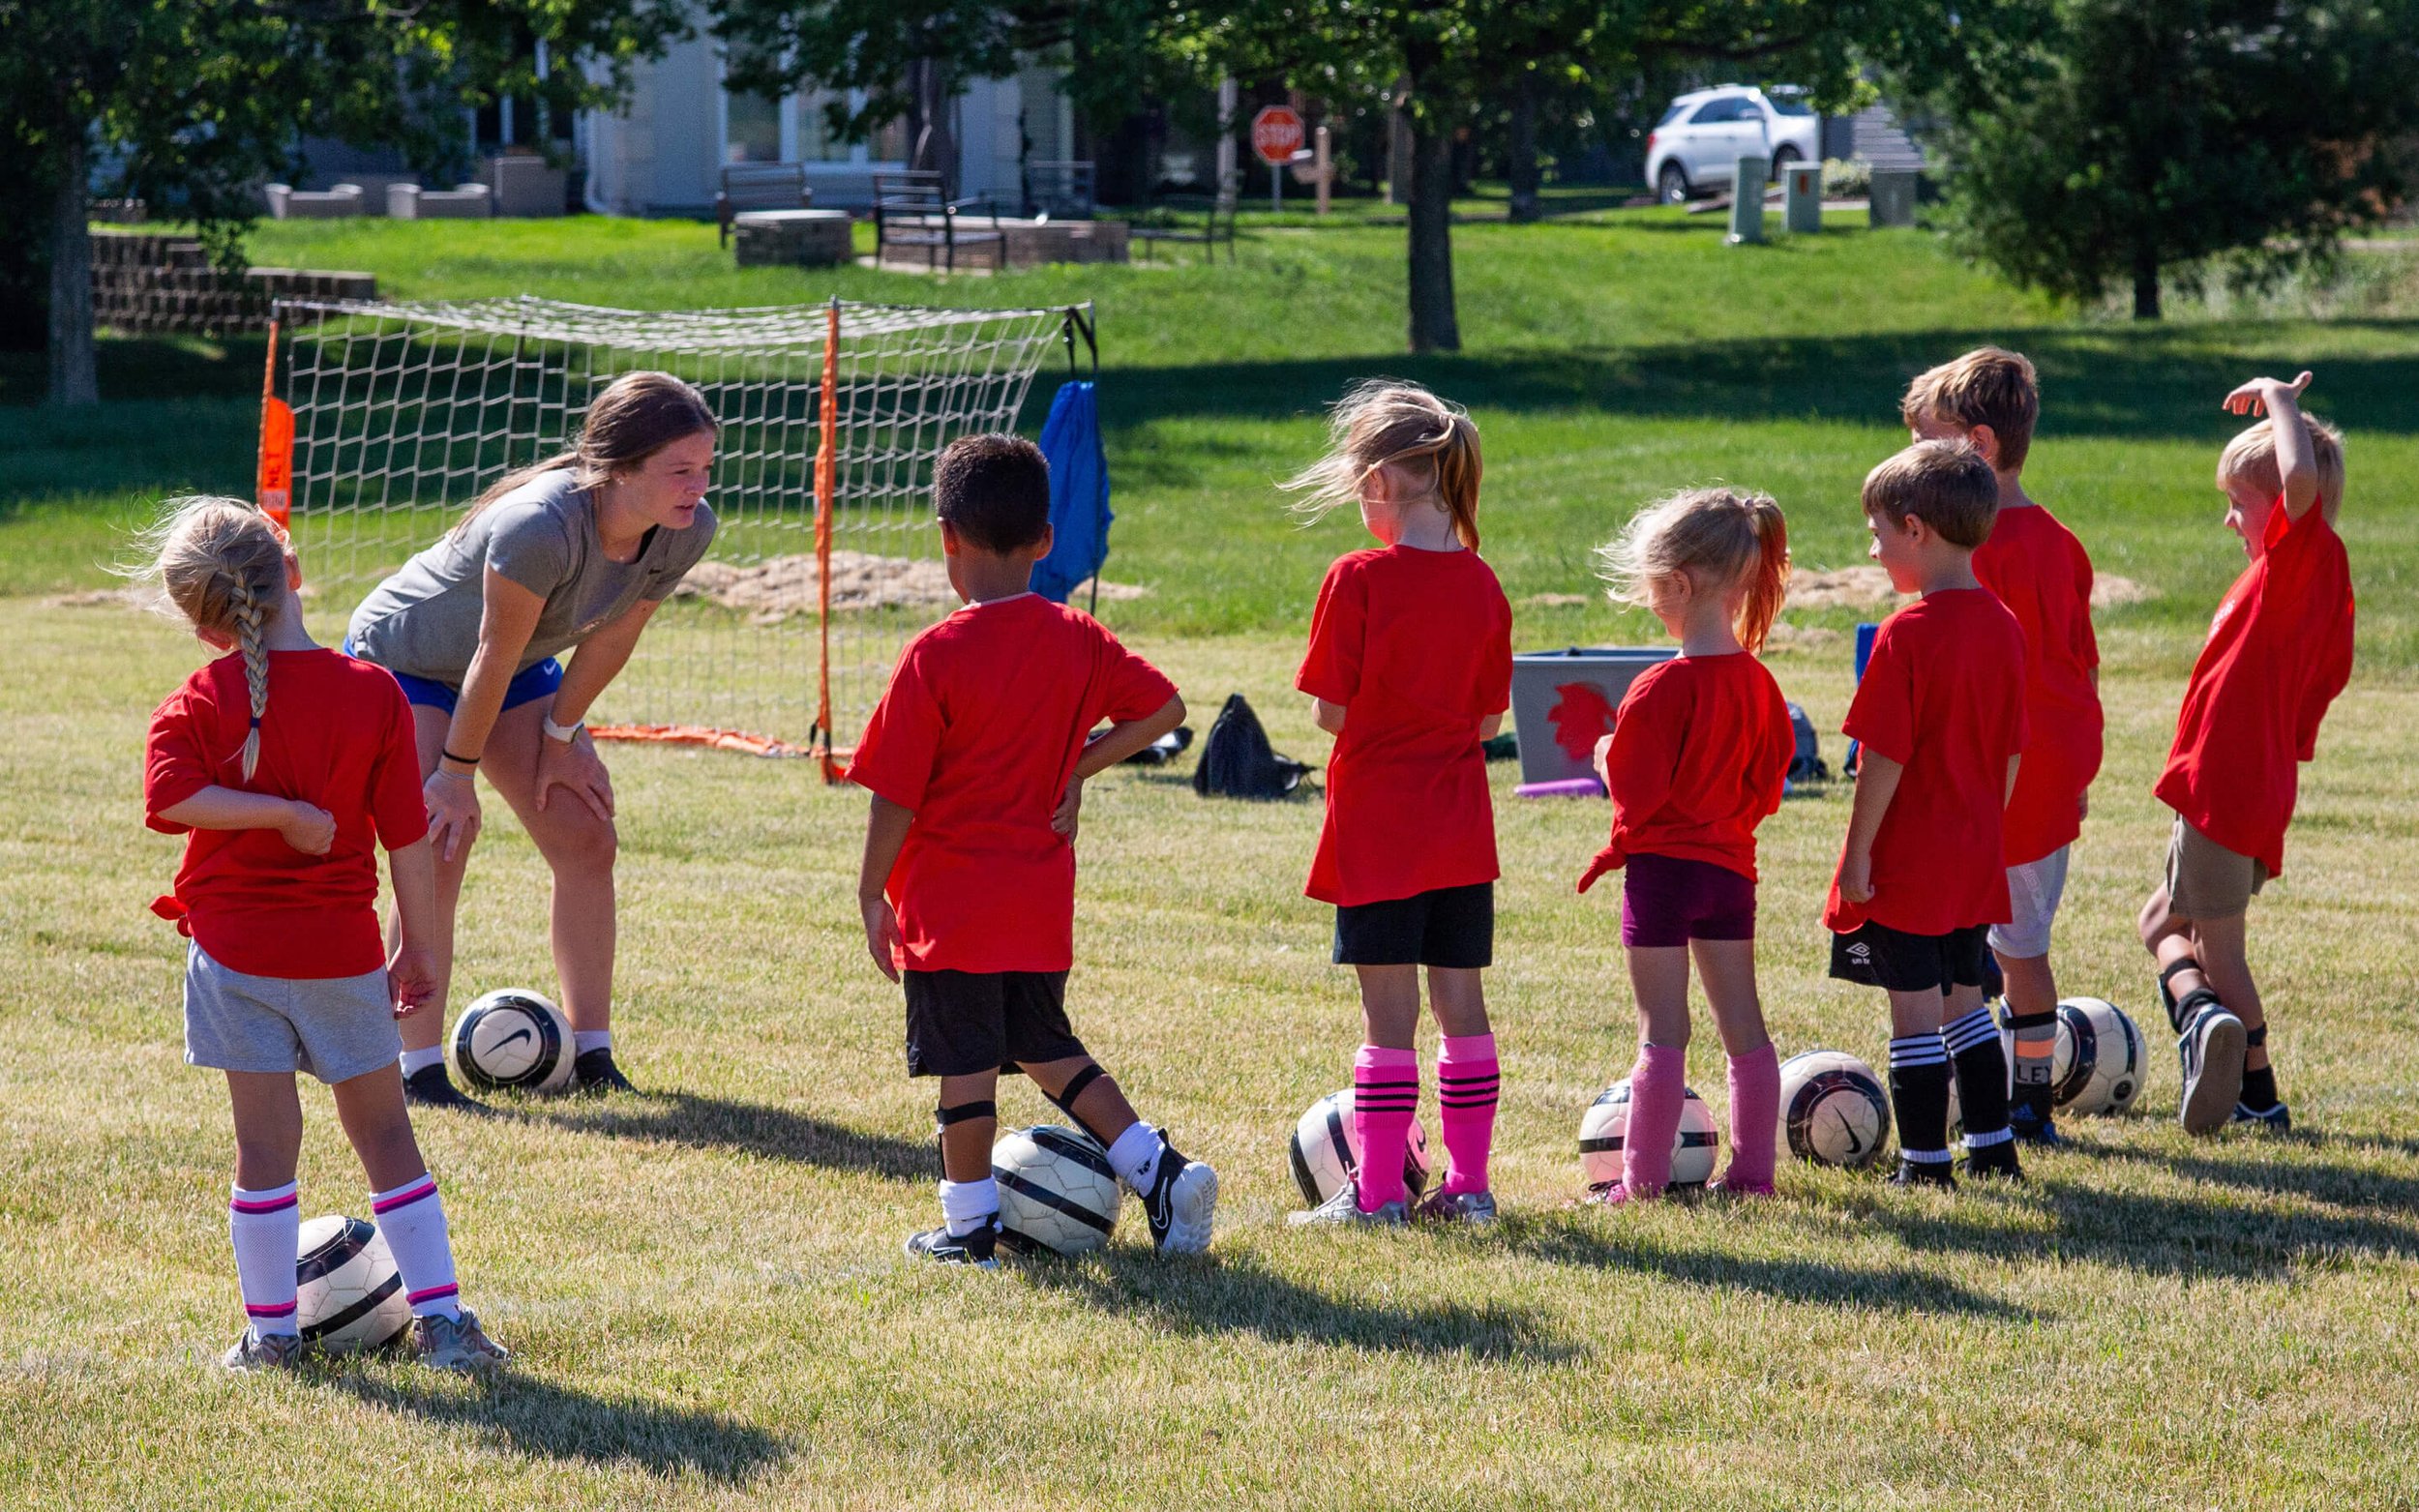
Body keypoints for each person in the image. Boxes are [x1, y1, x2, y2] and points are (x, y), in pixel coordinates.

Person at [135, 497, 507, 1373]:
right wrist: (415, 946)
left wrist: (266, 811)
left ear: (201, 623)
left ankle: (269, 1338)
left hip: (233, 958)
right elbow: (407, 840)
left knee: (264, 1148)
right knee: (386, 1136)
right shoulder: (371, 693)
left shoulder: (194, 699)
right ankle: (445, 1324)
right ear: (293, 572)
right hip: (341, 955)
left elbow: (167, 798)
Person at [851, 434, 1216, 1266]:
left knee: (965, 1070)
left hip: (952, 909)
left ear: (946, 537)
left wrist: (872, 893)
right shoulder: (1080, 637)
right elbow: (1166, 711)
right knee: (1046, 1047)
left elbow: (895, 795)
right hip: (1037, 902)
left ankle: (969, 1228)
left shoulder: (934, 656)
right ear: (1046, 539)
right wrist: (1077, 766)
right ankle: (1159, 1170)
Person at [345, 371, 720, 1107]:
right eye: (680, 470)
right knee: (438, 846)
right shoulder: (540, 525)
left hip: (509, 665)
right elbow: (486, 651)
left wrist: (561, 734)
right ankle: (413, 1068)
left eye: (706, 467)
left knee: (586, 836)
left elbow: (612, 638)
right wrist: (454, 777)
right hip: (408, 658)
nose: (697, 486)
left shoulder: (688, 527)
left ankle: (591, 1055)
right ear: (620, 467)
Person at [1284, 382, 1513, 1228]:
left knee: (1389, 1021)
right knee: (1463, 1007)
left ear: (1382, 478)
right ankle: (1472, 1187)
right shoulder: (1485, 585)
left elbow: (1329, 711)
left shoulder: (1357, 578)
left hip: (1378, 828)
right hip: (1459, 827)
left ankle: (1378, 1194)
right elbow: (1489, 719)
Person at [2138, 372, 2353, 1134]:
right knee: (2162, 919)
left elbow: (2296, 481)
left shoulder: (2303, 561)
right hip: (2240, 788)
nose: (2231, 520)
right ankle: (2231, 1058)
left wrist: (2278, 402)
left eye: (2240, 504)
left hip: (2223, 788)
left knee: (2215, 952)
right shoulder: (2286, 579)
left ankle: (2225, 1049)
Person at [1903, 347, 2102, 1145]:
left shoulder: (1972, 553)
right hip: (2048, 776)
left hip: (1995, 780)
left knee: (2006, 948)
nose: (1911, 462)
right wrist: (2077, 774)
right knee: (2016, 945)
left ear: (1976, 447)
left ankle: (2024, 1104)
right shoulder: (2062, 541)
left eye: (1926, 445)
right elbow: (2082, 666)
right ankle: (2012, 1092)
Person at [1577, 488, 1797, 1204]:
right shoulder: (1762, 686)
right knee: (1745, 1027)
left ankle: (1639, 1184)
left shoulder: (1657, 687)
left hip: (1663, 879)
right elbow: (1768, 786)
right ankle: (1753, 1175)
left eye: (1649, 587)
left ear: (1678, 584)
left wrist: (1608, 753)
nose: (1648, 599)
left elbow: (1635, 795)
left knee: (1662, 1030)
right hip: (1731, 871)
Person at [1823, 442, 2029, 1189]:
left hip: (1910, 858)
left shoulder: (1904, 635)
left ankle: (1925, 1161)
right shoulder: (2004, 626)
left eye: (1877, 534)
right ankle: (1994, 1145)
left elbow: (1883, 758)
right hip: (1974, 853)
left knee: (1912, 1014)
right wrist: (1985, 828)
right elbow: (2011, 751)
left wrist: (1858, 855)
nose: (1873, 550)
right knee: (1966, 1001)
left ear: (1917, 530)